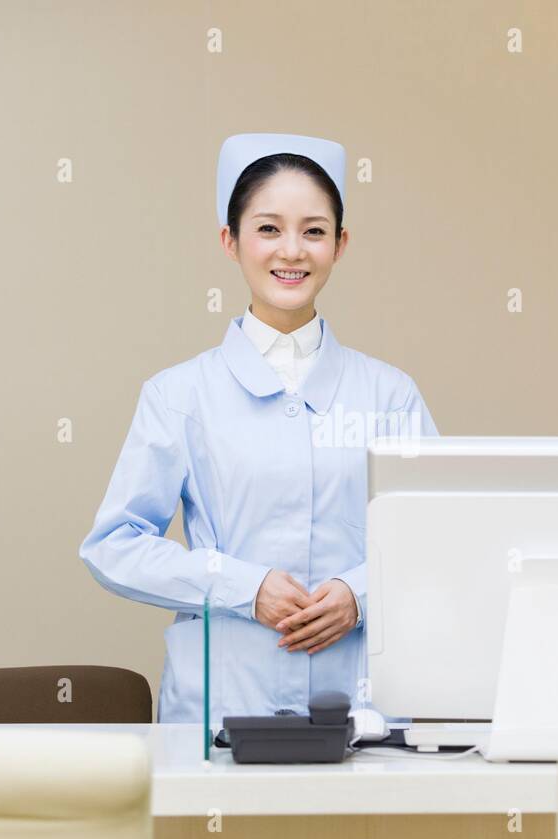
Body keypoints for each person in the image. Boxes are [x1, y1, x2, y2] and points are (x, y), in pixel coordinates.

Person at [79, 132, 439, 723]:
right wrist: (242, 587)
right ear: (231, 240)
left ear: (340, 245)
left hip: (362, 703)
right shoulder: (179, 395)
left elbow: (436, 534)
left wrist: (358, 595)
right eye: (268, 228)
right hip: (221, 705)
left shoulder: (389, 394)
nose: (292, 251)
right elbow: (113, 547)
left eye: (314, 231)